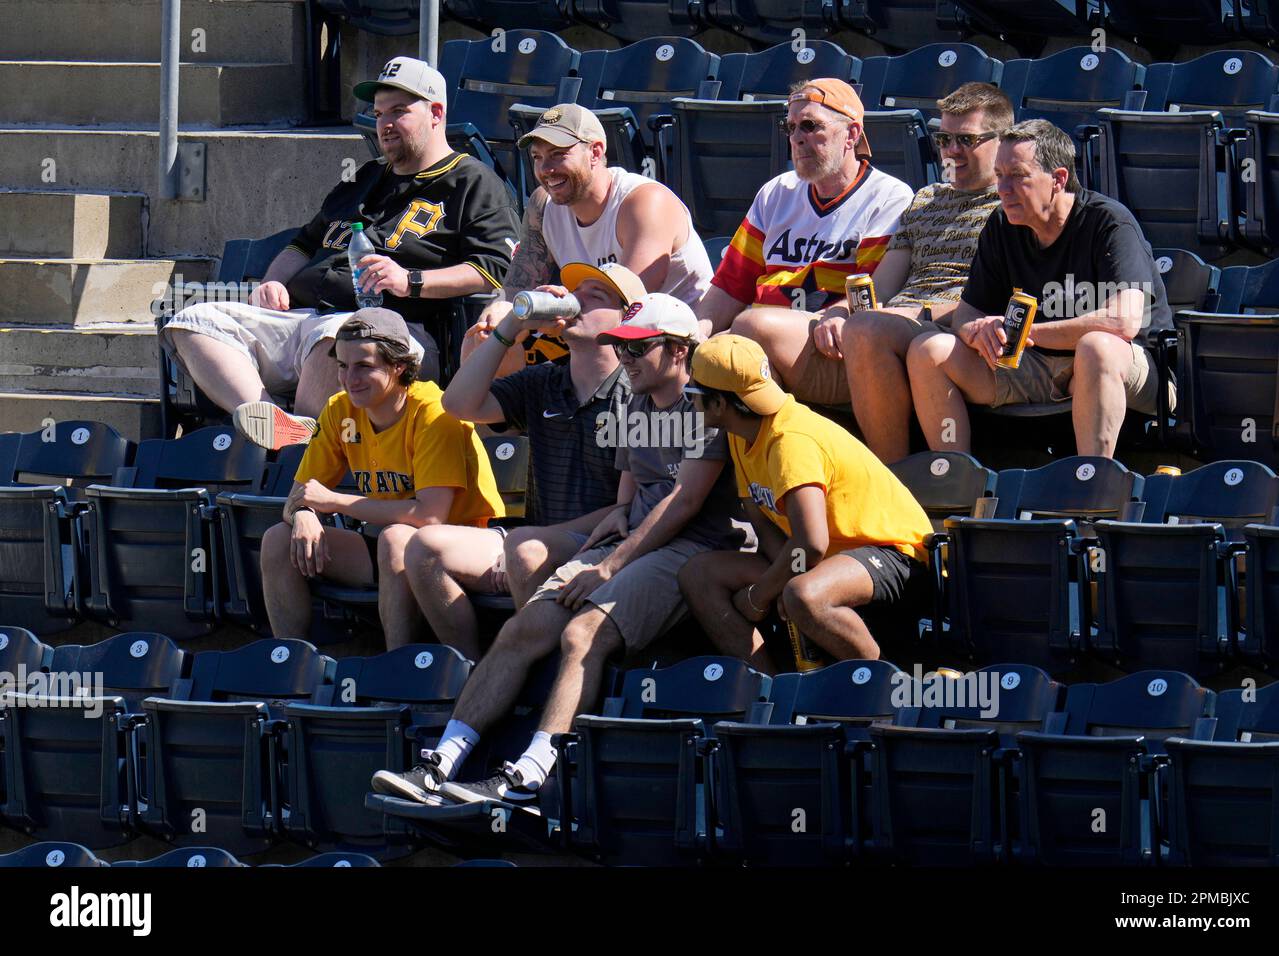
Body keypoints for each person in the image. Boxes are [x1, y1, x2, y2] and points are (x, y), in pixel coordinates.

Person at [371, 294, 744, 806]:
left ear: (678, 351)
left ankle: (532, 773)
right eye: (623, 347)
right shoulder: (638, 399)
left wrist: (609, 564)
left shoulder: (707, 403)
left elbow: (685, 501)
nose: (626, 358)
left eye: (638, 349)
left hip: (692, 546)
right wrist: (620, 512)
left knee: (582, 633)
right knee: (522, 628)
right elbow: (635, 478)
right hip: (636, 540)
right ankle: (442, 761)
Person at [162, 56, 520, 449]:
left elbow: (492, 271)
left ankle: (305, 454)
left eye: (399, 111)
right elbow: (303, 243)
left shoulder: (473, 182)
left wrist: (410, 281)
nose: (385, 124)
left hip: (397, 330)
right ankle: (274, 423)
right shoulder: (364, 178)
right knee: (194, 319)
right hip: (305, 318)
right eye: (380, 113)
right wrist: (273, 281)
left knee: (341, 337)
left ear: (436, 113)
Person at [401, 262, 644, 659]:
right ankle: (475, 669)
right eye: (574, 291)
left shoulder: (637, 393)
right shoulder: (545, 379)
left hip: (602, 542)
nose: (575, 301)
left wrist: (522, 543)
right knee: (423, 547)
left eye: (594, 296)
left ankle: (536, 670)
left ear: (628, 318)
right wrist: (512, 325)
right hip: (533, 541)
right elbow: (458, 404)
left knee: (526, 548)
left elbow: (626, 509)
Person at [905, 119, 1173, 460]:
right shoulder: (1003, 224)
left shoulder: (1108, 222)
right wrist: (977, 330)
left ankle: (1092, 481)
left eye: (1017, 176)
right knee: (928, 350)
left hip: (1133, 367)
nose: (1003, 188)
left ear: (1058, 179)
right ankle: (955, 480)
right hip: (1033, 365)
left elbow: (1123, 323)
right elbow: (968, 313)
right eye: (999, 175)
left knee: (1097, 346)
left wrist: (1025, 332)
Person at [678, 335, 932, 673]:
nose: (691, 403)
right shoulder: (741, 433)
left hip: (895, 554)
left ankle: (887, 690)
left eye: (694, 395)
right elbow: (764, 523)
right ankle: (770, 692)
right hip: (827, 558)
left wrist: (759, 596)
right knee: (699, 575)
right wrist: (776, 579)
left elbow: (811, 543)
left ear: (720, 404)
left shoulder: (789, 441)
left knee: (804, 595)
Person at [259, 309, 504, 650]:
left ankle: (394, 672)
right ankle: (288, 665)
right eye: (343, 366)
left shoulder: (434, 412)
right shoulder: (340, 409)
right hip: (388, 543)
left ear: (398, 366)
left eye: (364, 366)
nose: (349, 378)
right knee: (278, 539)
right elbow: (301, 495)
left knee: (396, 538)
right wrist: (303, 515)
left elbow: (430, 516)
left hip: (462, 546)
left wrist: (333, 502)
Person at [695, 77, 914, 406]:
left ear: (851, 134)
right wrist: (692, 333)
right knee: (667, 356)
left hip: (826, 343)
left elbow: (874, 292)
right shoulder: (777, 191)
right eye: (791, 127)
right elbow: (730, 287)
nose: (797, 138)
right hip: (758, 336)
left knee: (745, 335)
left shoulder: (888, 196)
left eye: (810, 126)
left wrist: (838, 315)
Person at [461, 103, 714, 373]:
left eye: (558, 154)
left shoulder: (645, 202)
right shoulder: (542, 205)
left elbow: (627, 303)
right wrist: (499, 313)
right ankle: (494, 416)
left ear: (595, 152)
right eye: (537, 157)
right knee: (483, 339)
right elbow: (515, 287)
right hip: (597, 332)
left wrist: (541, 310)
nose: (546, 169)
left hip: (669, 345)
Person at [839, 82, 1010, 462]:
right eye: (944, 139)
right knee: (759, 330)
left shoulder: (1011, 204)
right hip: (894, 320)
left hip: (953, 324)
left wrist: (886, 317)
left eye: (966, 140)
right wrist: (834, 315)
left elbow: (994, 301)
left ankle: (890, 478)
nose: (951, 151)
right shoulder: (925, 198)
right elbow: (882, 284)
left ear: (1002, 140)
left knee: (865, 328)